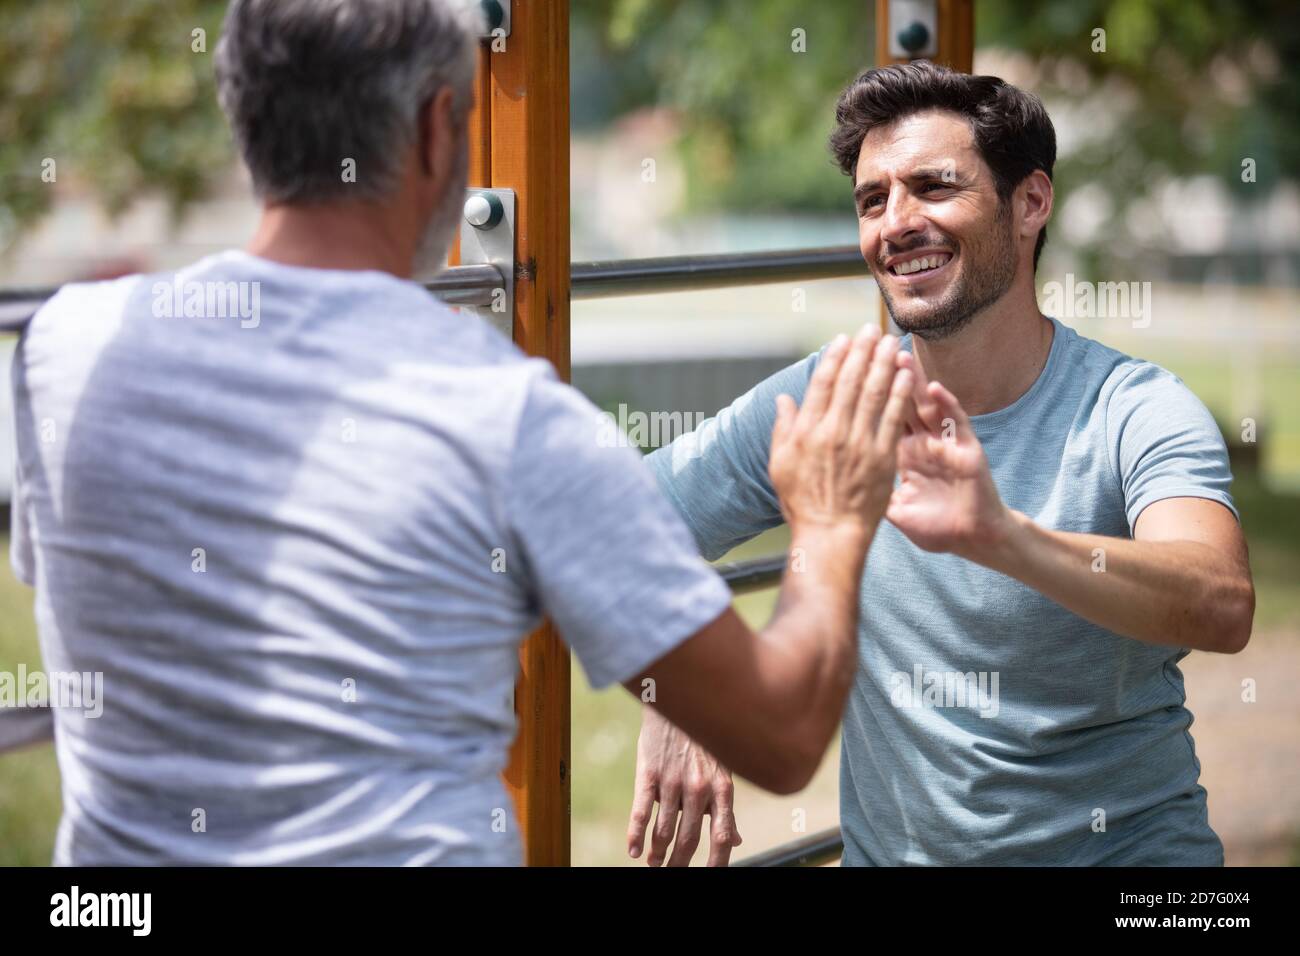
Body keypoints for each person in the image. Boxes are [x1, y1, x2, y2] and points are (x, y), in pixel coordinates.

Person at [8, 0, 913, 865]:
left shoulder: (65, 349)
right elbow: (782, 733)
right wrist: (829, 520)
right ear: (440, 128)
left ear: (244, 118)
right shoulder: (509, 417)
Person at [628, 60, 1255, 867]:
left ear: (1030, 202)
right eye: (872, 199)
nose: (896, 222)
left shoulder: (1134, 406)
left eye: (933, 186)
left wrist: (1001, 535)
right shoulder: (835, 394)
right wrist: (684, 693)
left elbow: (1222, 600)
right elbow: (616, 521)